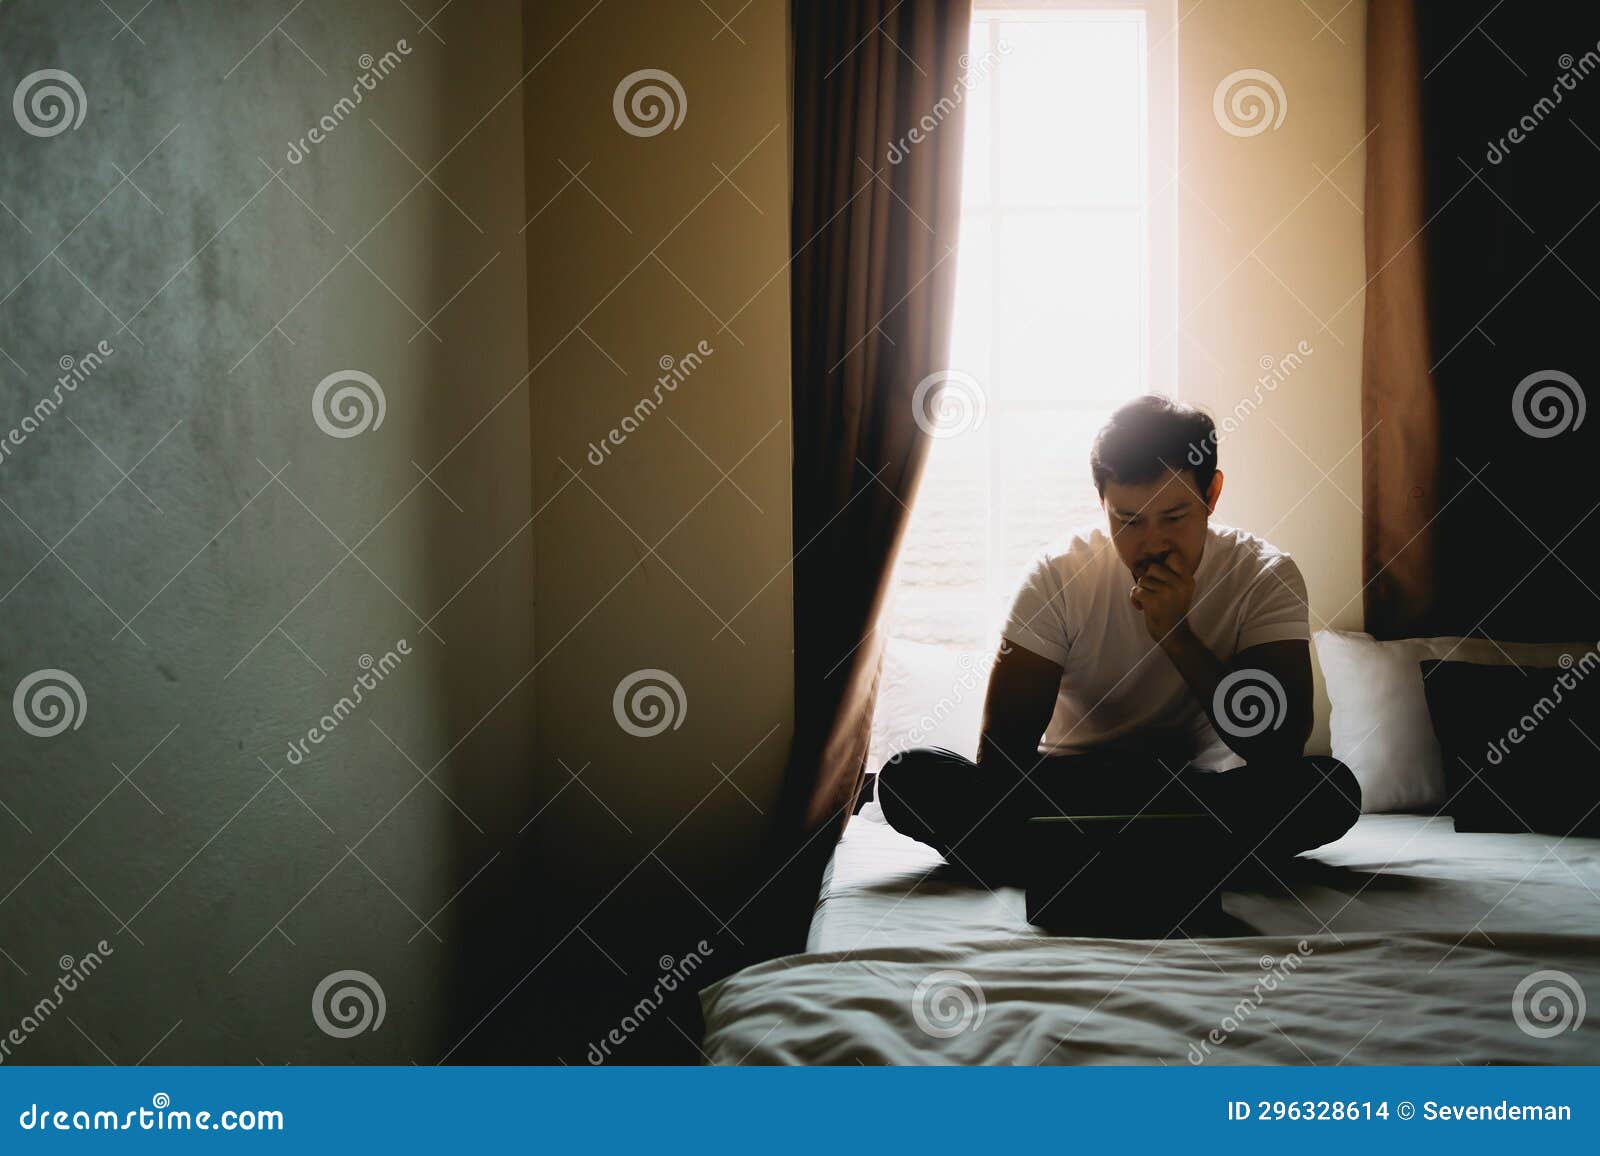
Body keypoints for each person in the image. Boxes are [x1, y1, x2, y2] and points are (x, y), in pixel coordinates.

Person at [876, 395, 1360, 885]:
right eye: (1129, 521)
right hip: (1067, 790)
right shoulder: (1057, 573)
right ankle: (1182, 865)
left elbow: (1278, 748)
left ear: (1211, 494)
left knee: (1328, 789)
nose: (1153, 544)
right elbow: (1002, 759)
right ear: (1101, 503)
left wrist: (1176, 635)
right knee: (907, 777)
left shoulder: (1264, 575)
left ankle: (1065, 862)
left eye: (1175, 516)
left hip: (1193, 795)